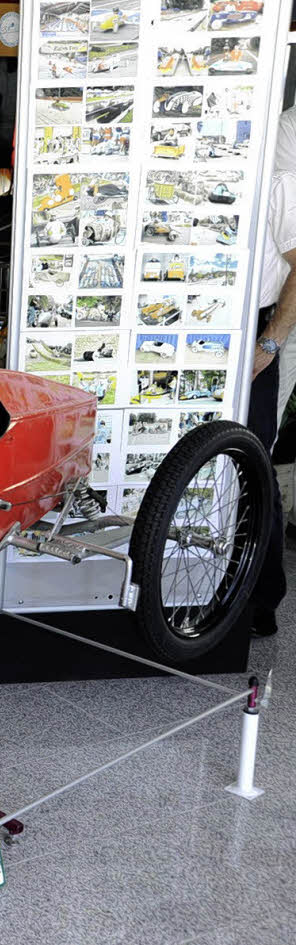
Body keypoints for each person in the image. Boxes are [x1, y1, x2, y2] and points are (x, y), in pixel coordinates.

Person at [247, 106, 296, 637]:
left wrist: (272, 340)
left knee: (254, 453)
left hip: (258, 322)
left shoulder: (280, 172)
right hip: (216, 318)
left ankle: (263, 594)